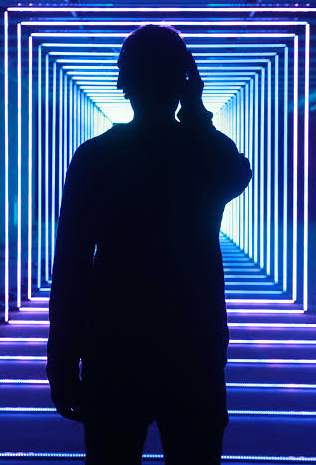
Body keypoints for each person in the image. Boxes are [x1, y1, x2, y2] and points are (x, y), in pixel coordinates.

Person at [47, 24, 252, 465]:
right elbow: (237, 171)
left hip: (115, 345)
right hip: (193, 343)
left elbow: (71, 266)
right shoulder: (204, 154)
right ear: (185, 81)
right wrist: (195, 109)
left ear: (123, 83)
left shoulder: (95, 157)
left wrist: (62, 358)